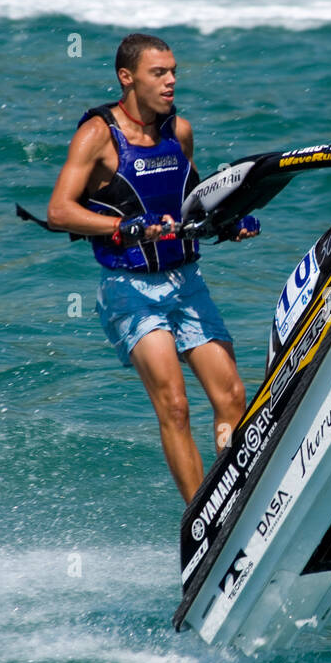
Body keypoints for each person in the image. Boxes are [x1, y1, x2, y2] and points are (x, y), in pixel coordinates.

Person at [45, 36, 257, 503]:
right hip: (130, 290)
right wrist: (125, 227)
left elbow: (192, 200)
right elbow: (59, 211)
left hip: (188, 284)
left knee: (233, 398)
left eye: (174, 71)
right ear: (127, 78)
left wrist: (228, 221)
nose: (171, 81)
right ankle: (202, 517)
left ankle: (234, 501)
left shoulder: (177, 131)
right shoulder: (97, 135)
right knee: (176, 406)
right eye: (158, 73)